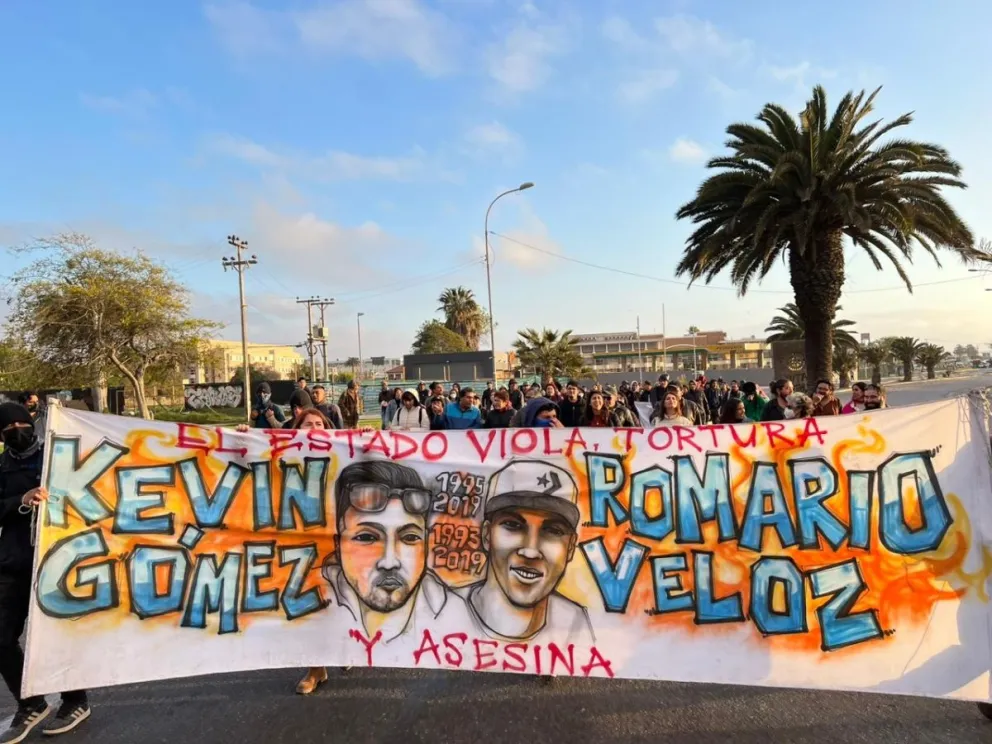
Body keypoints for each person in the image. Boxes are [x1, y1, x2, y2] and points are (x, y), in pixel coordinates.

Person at [0, 403, 91, 740]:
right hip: (13, 562)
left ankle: (75, 700)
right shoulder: (2, 466)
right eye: (10, 427)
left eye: (24, 423)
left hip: (57, 561)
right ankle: (31, 704)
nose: (19, 430)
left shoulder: (58, 456)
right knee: (2, 638)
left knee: (56, 635)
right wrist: (19, 500)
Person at [322, 460, 471, 647]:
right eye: (367, 537)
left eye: (409, 538)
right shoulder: (314, 607)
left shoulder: (459, 616)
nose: (389, 562)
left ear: (426, 545)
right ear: (338, 547)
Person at [457, 459, 594, 646]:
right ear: (487, 535)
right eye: (513, 525)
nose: (530, 551)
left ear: (570, 548)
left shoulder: (575, 625)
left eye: (553, 531)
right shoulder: (444, 610)